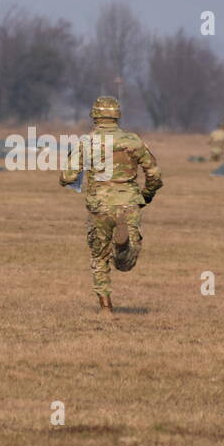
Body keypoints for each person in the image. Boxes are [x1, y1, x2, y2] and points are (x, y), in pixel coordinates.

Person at [59, 96, 162, 315]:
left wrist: (66, 178)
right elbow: (155, 175)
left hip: (100, 205)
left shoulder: (86, 142)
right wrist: (146, 195)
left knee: (99, 256)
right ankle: (123, 248)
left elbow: (68, 176)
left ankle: (106, 308)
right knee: (126, 264)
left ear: (95, 115)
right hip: (128, 204)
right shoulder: (133, 140)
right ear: (117, 115)